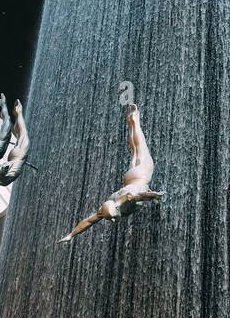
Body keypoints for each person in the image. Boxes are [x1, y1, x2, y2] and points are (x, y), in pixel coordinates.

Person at [60, 104, 165, 243]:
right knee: (135, 149)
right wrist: (71, 235)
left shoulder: (122, 202)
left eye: (113, 217)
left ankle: (135, 120)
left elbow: (137, 196)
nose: (114, 220)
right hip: (129, 178)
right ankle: (131, 122)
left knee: (140, 147)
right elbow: (88, 221)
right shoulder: (108, 206)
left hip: (141, 175)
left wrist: (152, 196)